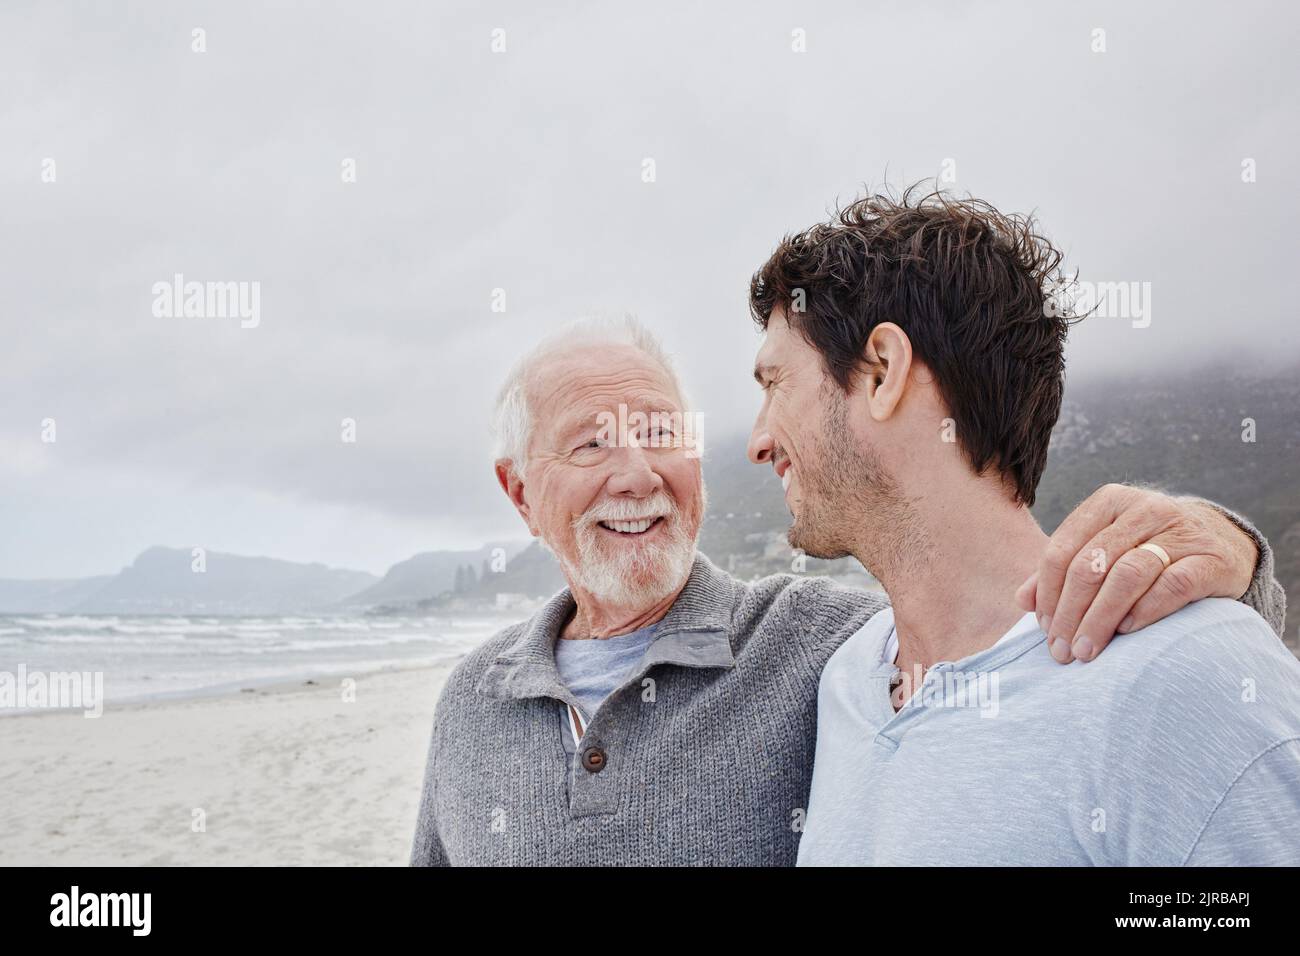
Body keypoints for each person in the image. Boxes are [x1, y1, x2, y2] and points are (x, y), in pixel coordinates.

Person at [410, 313, 1283, 866]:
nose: (638, 472)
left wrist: (1233, 553)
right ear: (519, 492)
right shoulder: (471, 705)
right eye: (591, 445)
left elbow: (1021, 625)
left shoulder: (826, 646)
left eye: (660, 433)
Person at [735, 187, 1299, 865]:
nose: (759, 441)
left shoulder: (1187, 677)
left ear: (883, 372)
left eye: (775, 384)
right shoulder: (847, 683)